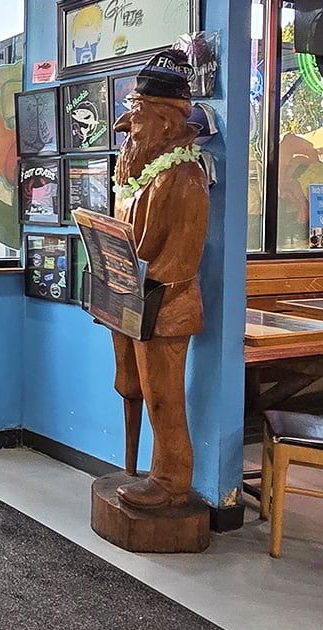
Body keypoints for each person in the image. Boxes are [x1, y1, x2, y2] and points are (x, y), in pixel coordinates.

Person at [110, 49, 209, 510]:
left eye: (136, 114)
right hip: (140, 302)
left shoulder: (185, 177)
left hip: (166, 307)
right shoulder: (143, 175)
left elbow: (171, 258)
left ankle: (171, 480)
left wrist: (136, 279)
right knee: (138, 388)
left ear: (168, 124)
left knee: (165, 399)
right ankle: (145, 469)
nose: (125, 126)